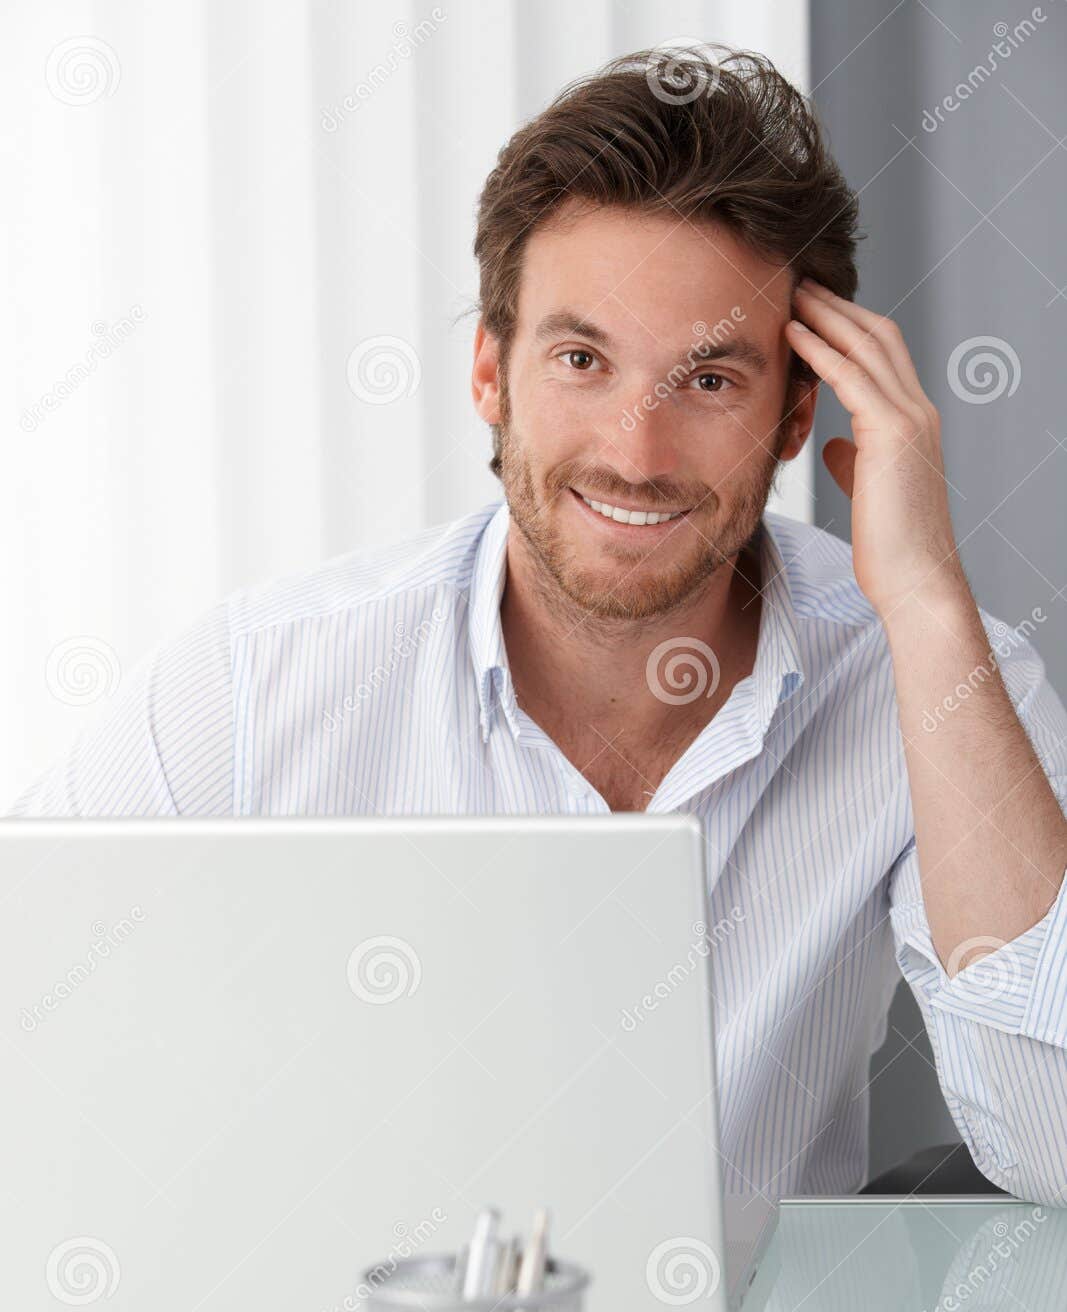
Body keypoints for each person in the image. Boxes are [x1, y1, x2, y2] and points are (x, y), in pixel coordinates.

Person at [9, 46, 1067, 1206]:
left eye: (708, 380)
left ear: (792, 414)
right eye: (579, 360)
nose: (634, 451)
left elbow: (1051, 1144)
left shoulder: (928, 678)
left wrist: (919, 598)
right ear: (489, 374)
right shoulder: (257, 683)